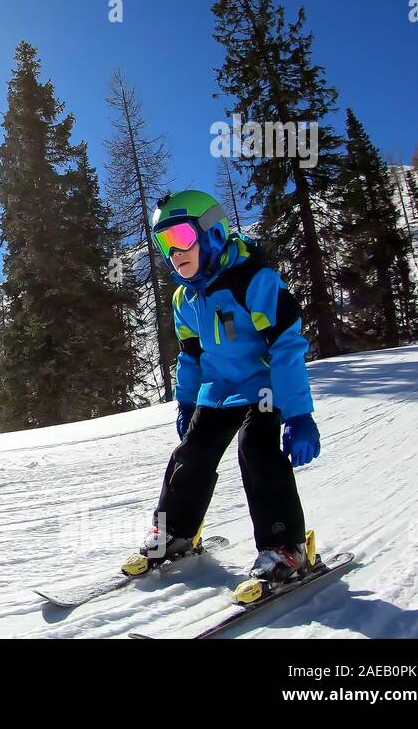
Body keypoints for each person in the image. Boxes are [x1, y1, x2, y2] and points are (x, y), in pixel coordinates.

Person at [125, 189, 322, 585]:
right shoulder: (184, 298)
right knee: (191, 453)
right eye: (164, 242)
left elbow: (286, 347)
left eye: (181, 237)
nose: (174, 251)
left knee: (256, 448)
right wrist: (185, 403)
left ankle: (285, 546)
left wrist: (299, 413)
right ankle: (175, 532)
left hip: (264, 387)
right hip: (218, 391)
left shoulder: (255, 281)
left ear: (213, 233)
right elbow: (191, 355)